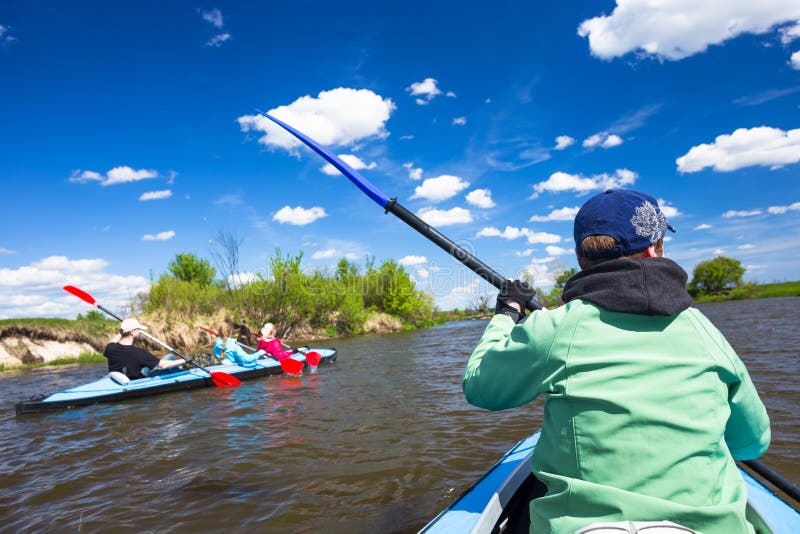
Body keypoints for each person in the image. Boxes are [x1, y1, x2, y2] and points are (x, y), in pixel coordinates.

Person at [463, 188, 771, 534]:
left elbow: (480, 386)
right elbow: (752, 442)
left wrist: (507, 314)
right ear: (655, 248)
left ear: (582, 258)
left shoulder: (555, 327)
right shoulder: (705, 332)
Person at [103, 318, 185, 380]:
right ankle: (180, 376)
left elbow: (113, 341)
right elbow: (163, 365)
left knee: (150, 365)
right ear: (132, 331)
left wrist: (124, 330)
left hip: (121, 379)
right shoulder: (139, 353)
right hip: (138, 381)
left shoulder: (110, 348)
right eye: (138, 329)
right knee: (171, 357)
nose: (140, 331)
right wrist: (185, 360)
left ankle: (178, 368)